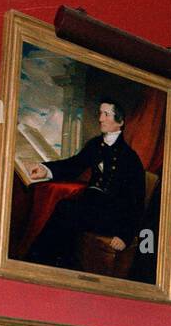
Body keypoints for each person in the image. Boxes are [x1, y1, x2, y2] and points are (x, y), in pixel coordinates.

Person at [24, 100, 147, 276]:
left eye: (106, 114)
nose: (100, 118)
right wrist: (45, 169)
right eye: (100, 113)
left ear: (120, 122)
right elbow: (74, 165)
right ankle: (44, 264)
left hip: (112, 216)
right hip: (92, 206)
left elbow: (136, 201)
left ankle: (42, 263)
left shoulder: (130, 159)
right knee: (66, 207)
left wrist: (124, 235)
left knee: (67, 210)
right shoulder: (95, 145)